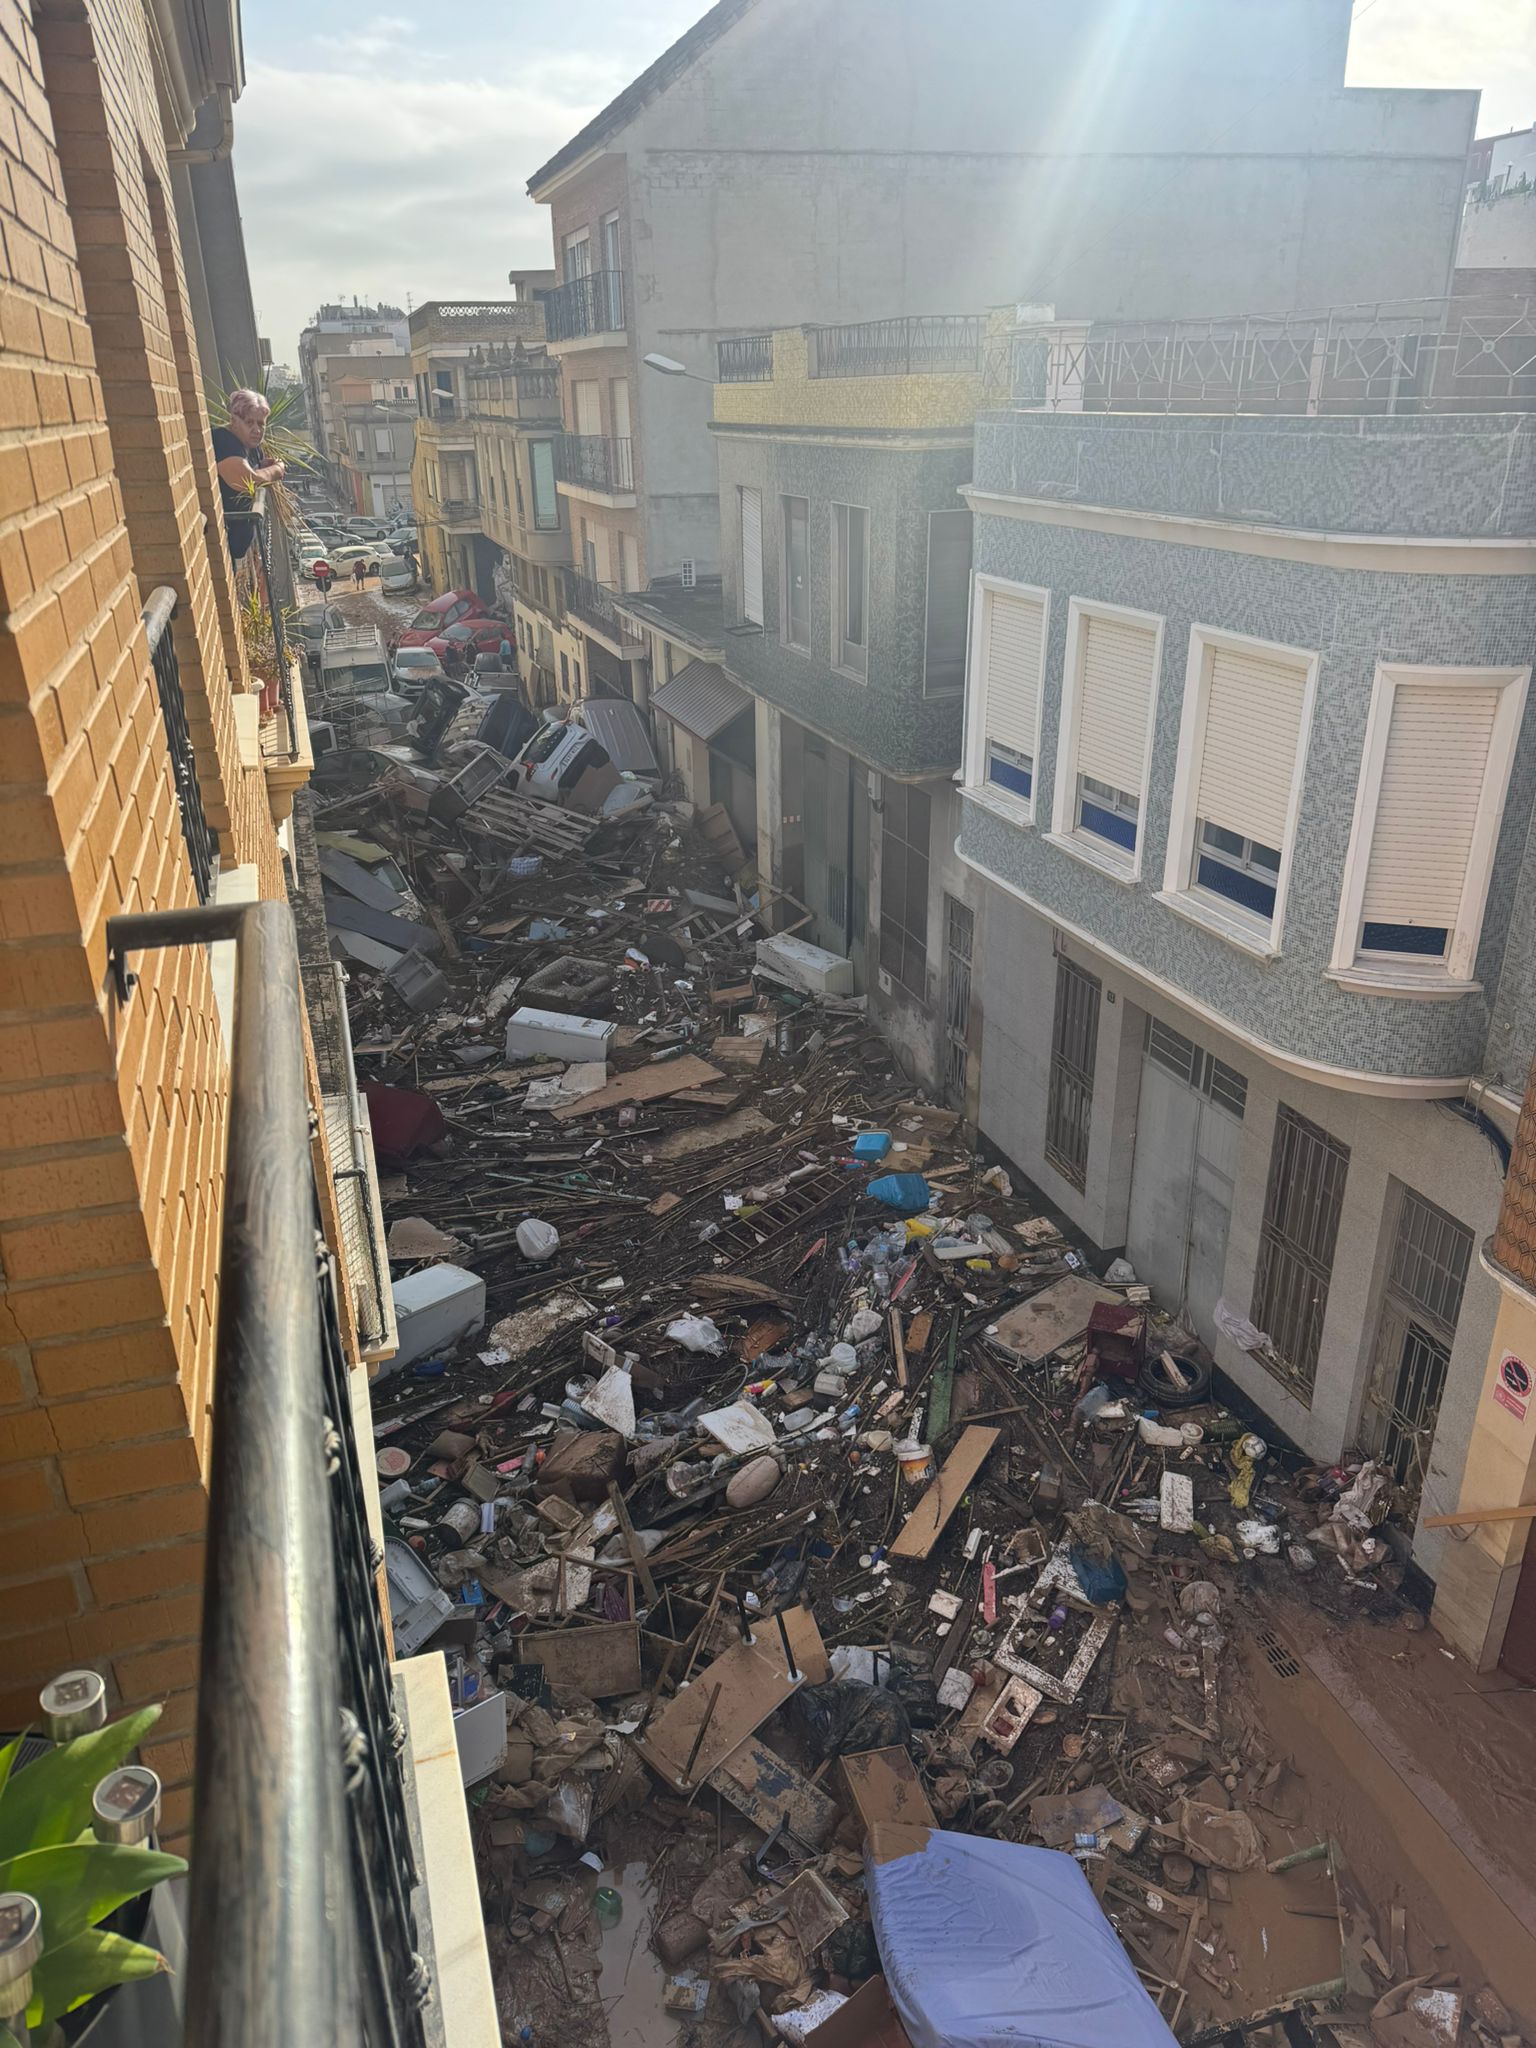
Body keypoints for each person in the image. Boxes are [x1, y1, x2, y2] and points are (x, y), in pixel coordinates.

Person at [212, 389, 285, 563]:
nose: (256, 430)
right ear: (234, 420)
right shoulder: (223, 441)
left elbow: (255, 468)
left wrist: (263, 466)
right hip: (221, 548)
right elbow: (247, 481)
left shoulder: (250, 445)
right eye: (249, 422)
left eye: (261, 424)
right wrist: (278, 469)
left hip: (235, 550)